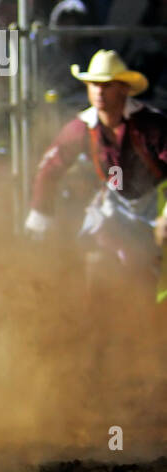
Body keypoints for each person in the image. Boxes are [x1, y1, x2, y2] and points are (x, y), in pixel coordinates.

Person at [25, 51, 167, 296]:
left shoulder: (150, 125)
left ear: (123, 89)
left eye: (106, 85)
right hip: (113, 204)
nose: (99, 92)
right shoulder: (83, 126)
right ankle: (97, 324)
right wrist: (40, 214)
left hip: (156, 205)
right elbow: (50, 168)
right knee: (96, 256)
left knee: (150, 271)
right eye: (94, 85)